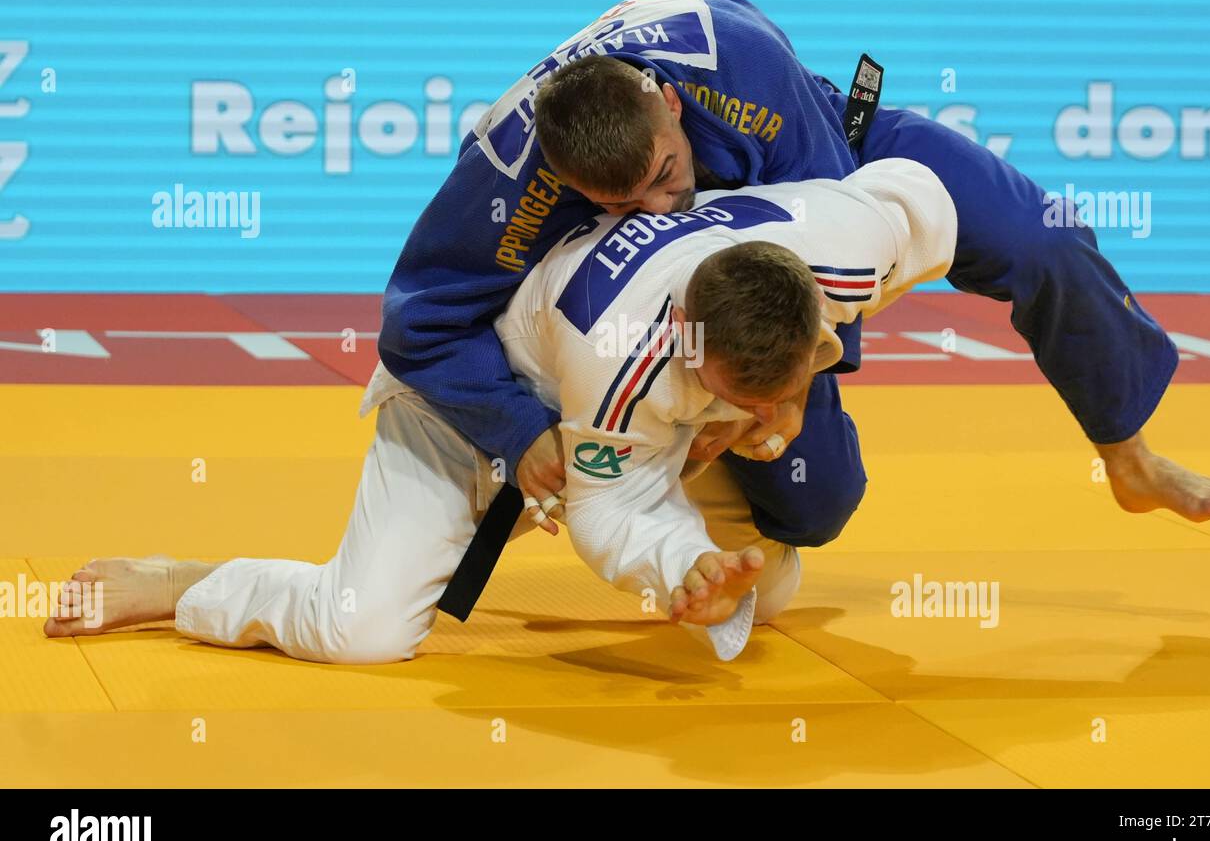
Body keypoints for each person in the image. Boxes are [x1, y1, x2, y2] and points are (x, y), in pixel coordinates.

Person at [383, 0, 1210, 556]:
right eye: (619, 199)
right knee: (816, 507)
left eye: (664, 175)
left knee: (1043, 240)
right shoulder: (506, 173)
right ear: (565, 179)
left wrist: (785, 390)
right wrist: (520, 429)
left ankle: (1126, 456)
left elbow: (841, 218)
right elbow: (418, 321)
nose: (655, 206)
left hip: (836, 165)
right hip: (682, 291)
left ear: (672, 105)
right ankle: (681, 458)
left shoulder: (735, 59)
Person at [44, 158, 956, 663]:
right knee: (360, 629)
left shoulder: (844, 243)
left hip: (649, 432)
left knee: (770, 588)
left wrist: (772, 419)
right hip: (476, 402)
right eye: (736, 396)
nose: (760, 418)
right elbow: (607, 506)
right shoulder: (621, 354)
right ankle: (182, 584)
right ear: (686, 340)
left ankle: (723, 528)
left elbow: (932, 197)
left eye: (778, 392)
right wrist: (678, 562)